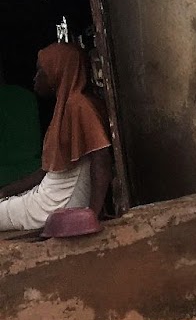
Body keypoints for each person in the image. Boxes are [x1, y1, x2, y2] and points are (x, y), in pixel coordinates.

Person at [0, 42, 112, 233]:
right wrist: (5, 191)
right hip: (49, 198)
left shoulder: (78, 107)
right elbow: (47, 172)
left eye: (40, 71)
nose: (35, 78)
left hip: (54, 206)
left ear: (56, 72)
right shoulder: (71, 107)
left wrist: (92, 215)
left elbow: (101, 161)